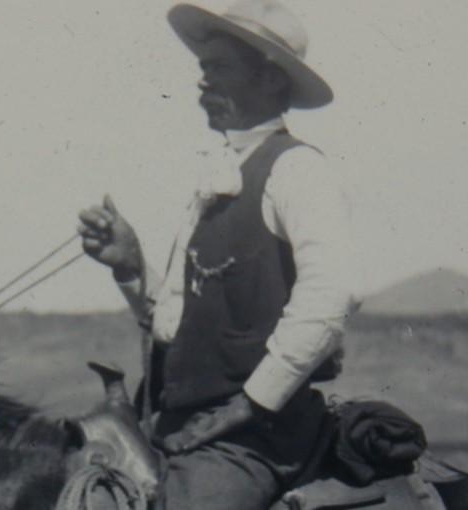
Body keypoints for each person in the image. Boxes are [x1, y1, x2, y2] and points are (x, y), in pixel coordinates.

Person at [77, 1, 356, 507]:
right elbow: (178, 324)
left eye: (219, 69)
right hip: (184, 427)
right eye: (203, 71)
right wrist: (130, 266)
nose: (203, 84)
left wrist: (247, 406)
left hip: (255, 441)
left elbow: (326, 301)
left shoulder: (297, 173)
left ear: (271, 80)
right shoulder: (219, 180)